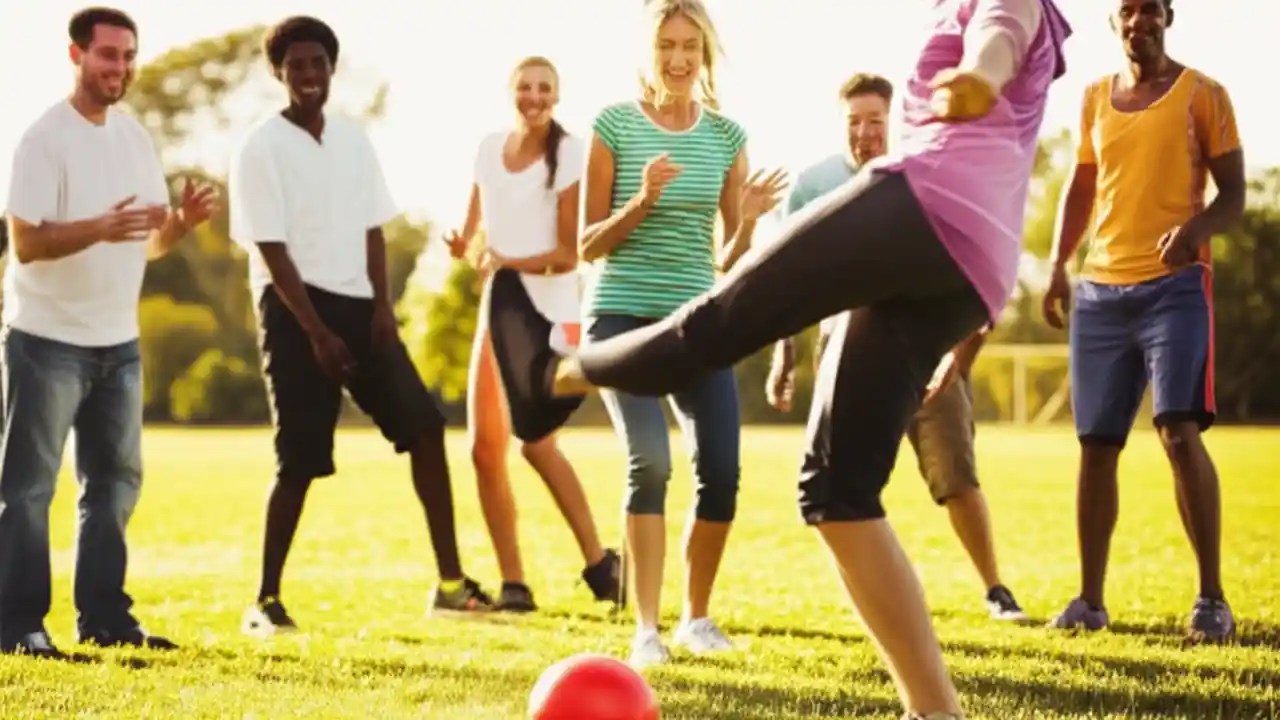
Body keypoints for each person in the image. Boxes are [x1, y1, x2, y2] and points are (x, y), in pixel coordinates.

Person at [551, 0, 1072, 716]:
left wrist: (979, 77)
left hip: (923, 208)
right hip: (974, 270)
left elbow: (998, 39)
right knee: (835, 493)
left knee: (715, 323)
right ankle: (936, 711)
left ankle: (575, 365)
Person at [229, 15, 493, 637]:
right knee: (299, 459)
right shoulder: (260, 147)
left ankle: (451, 585)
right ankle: (265, 601)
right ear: (279, 73)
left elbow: (374, 226)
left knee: (425, 429)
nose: (309, 75)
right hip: (295, 312)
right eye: (296, 65)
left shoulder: (352, 140)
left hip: (361, 307)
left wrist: (381, 309)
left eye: (318, 62)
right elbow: (269, 246)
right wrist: (317, 333)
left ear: (331, 67)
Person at [764, 73, 1026, 623]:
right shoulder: (814, 185)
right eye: (854, 123)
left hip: (925, 350)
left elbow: (972, 263)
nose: (865, 133)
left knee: (956, 475)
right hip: (846, 355)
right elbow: (784, 276)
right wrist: (783, 355)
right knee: (839, 489)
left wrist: (962, 351)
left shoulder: (923, 176)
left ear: (895, 122)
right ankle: (869, 603)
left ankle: (996, 589)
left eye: (875, 121)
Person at [572, 0, 785, 668]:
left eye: (691, 45)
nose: (679, 58)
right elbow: (586, 244)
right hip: (622, 318)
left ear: (706, 52)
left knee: (721, 469)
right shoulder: (612, 125)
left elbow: (726, 260)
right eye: (667, 45)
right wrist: (641, 201)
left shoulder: (727, 137)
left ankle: (696, 618)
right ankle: (645, 628)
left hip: (695, 324)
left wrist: (746, 220)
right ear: (649, 50)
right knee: (651, 461)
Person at [0, 6, 219, 657]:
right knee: (30, 490)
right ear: (76, 57)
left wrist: (179, 223)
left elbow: (146, 243)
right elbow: (26, 243)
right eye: (107, 55)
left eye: (127, 56)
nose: (119, 68)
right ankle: (16, 626)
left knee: (115, 484)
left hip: (116, 345)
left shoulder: (133, 139)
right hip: (45, 343)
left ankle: (104, 618)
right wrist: (97, 225)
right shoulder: (43, 139)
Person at [1043, 0, 1242, 644]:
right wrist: (1055, 267)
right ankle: (1090, 601)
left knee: (1179, 433)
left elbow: (1233, 195)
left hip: (1176, 289)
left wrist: (1196, 230)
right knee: (1096, 447)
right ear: (1115, 23)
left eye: (1150, 10)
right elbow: (1082, 187)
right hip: (1100, 294)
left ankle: (1211, 600)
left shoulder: (1203, 95)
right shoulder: (1094, 97)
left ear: (1167, 18)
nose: (1139, 22)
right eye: (1127, 11)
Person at [444, 56, 621, 613]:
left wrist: (505, 259)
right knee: (483, 449)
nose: (535, 96)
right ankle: (514, 584)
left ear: (557, 95)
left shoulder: (569, 152)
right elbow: (478, 246)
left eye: (545, 88)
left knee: (536, 444)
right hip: (503, 304)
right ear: (510, 92)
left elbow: (570, 254)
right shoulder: (486, 150)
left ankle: (601, 565)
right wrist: (468, 251)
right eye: (525, 86)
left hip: (554, 312)